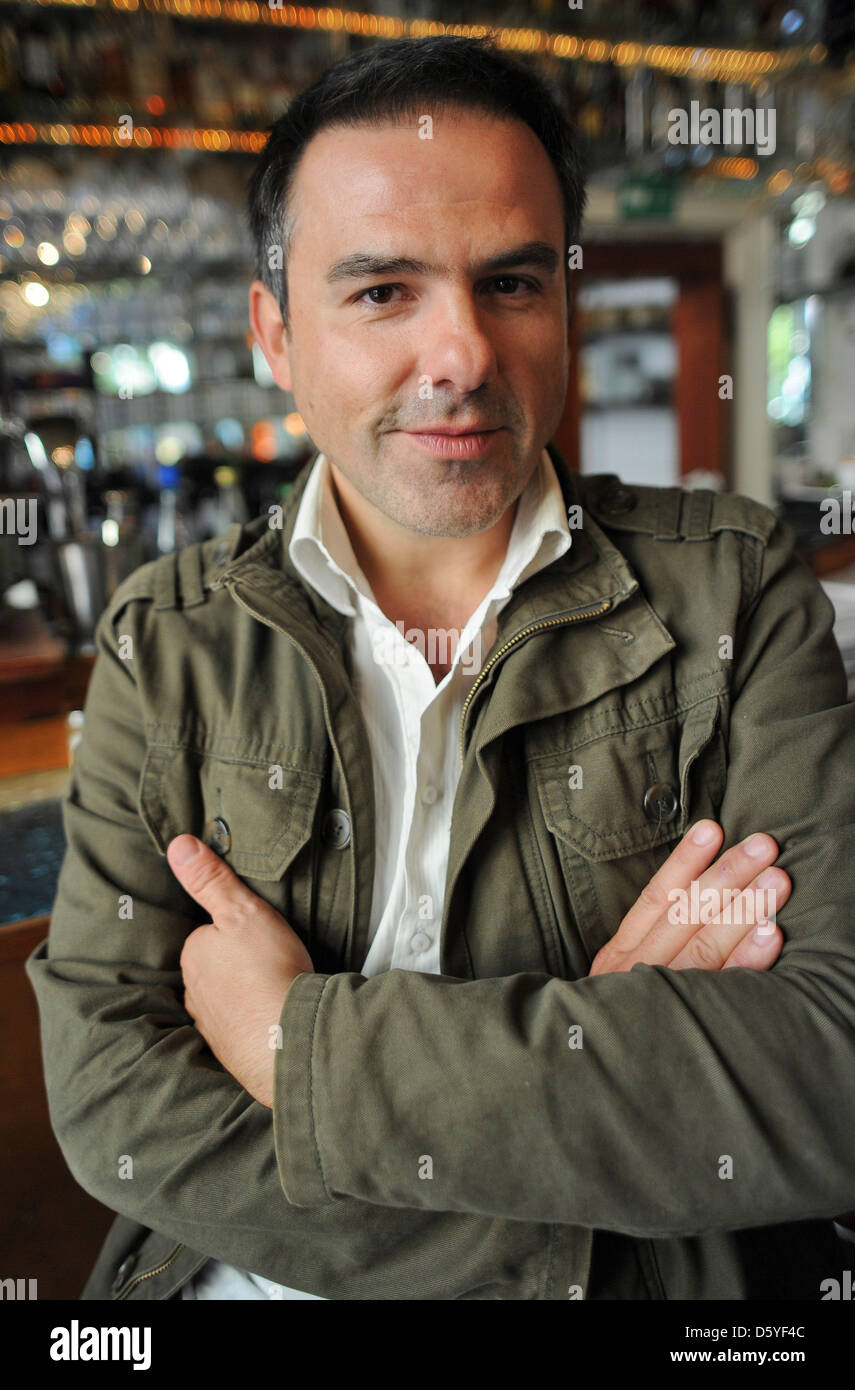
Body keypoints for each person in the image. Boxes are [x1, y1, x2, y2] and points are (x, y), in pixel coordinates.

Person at [27, 34, 855, 1302]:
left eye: (513, 283)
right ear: (275, 334)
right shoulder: (170, 638)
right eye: (381, 292)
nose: (463, 353)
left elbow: (823, 1077)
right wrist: (595, 1102)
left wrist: (291, 1042)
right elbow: (116, 1109)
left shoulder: (736, 589)